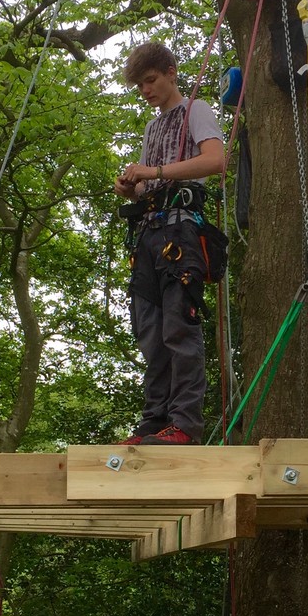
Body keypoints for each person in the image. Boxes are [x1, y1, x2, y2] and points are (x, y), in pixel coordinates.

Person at [113, 42, 224, 446]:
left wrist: (154, 170)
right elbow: (149, 186)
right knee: (151, 333)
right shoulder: (152, 127)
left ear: (171, 72)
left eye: (150, 80)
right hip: (148, 233)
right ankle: (153, 424)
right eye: (139, 85)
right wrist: (131, 187)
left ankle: (185, 425)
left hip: (182, 233)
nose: (145, 90)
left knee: (179, 328)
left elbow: (215, 161)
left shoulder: (196, 109)